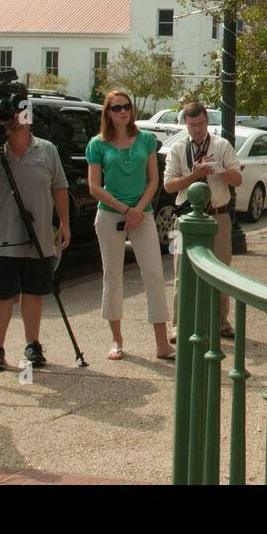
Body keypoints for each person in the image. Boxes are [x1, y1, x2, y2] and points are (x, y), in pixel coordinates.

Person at [0, 98, 71, 372]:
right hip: (1, 237)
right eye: (16, 114)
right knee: (0, 296)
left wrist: (64, 222)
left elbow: (59, 187)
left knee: (33, 293)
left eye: (24, 113)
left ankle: (33, 344)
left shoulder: (46, 149)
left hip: (38, 237)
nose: (21, 118)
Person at [86, 90, 173, 360]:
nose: (123, 111)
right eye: (117, 108)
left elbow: (154, 180)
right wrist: (124, 209)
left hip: (142, 214)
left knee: (154, 274)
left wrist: (137, 211)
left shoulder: (146, 139)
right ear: (108, 113)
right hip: (110, 215)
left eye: (126, 106)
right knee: (112, 275)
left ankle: (162, 343)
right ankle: (116, 339)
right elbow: (94, 187)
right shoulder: (97, 144)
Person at [162, 102, 242, 342]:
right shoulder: (178, 149)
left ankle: (221, 322)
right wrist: (194, 175)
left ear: (207, 121)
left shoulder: (221, 145)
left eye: (200, 124)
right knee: (181, 271)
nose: (196, 129)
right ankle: (178, 324)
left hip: (218, 215)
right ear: (185, 125)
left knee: (222, 269)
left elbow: (237, 179)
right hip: (184, 218)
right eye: (191, 125)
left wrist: (217, 169)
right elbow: (169, 186)